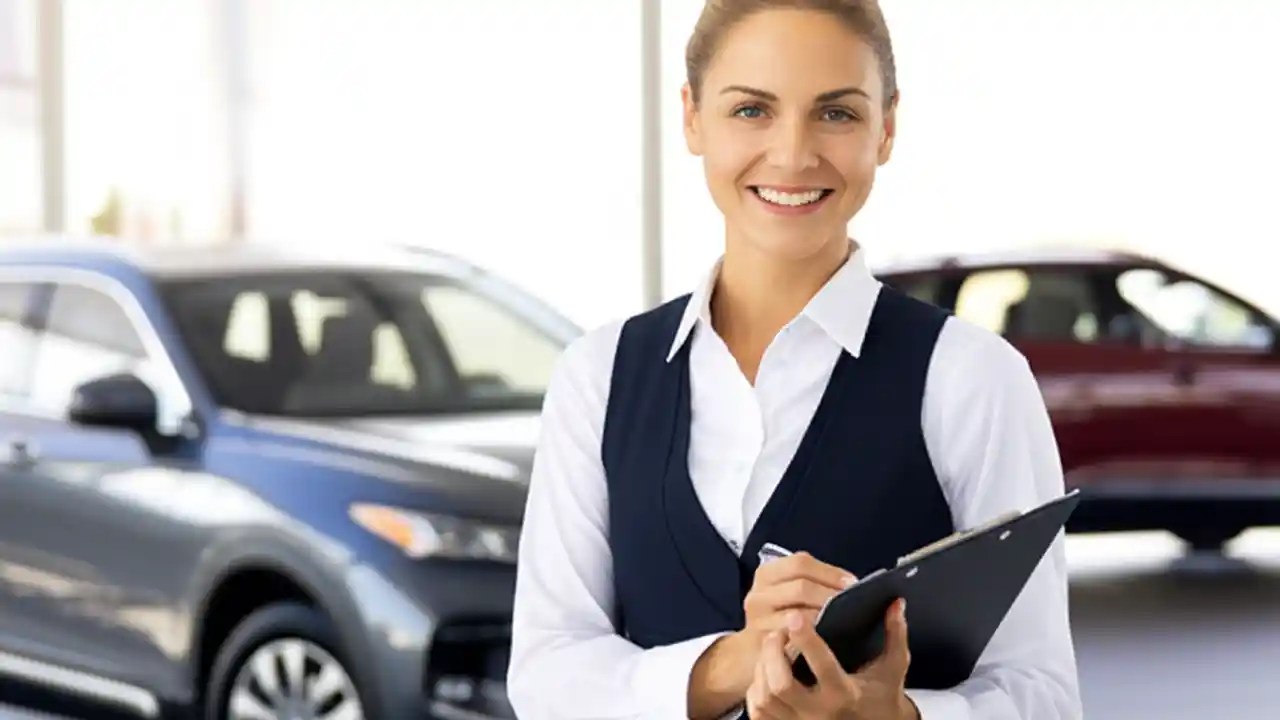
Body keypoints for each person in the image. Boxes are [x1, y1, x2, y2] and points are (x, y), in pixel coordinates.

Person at [507, 1, 1082, 718]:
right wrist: (732, 663)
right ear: (691, 118)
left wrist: (896, 717)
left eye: (836, 114)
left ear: (887, 126)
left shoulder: (970, 378)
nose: (792, 154)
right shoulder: (597, 378)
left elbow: (1042, 697)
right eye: (751, 110)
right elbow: (546, 674)